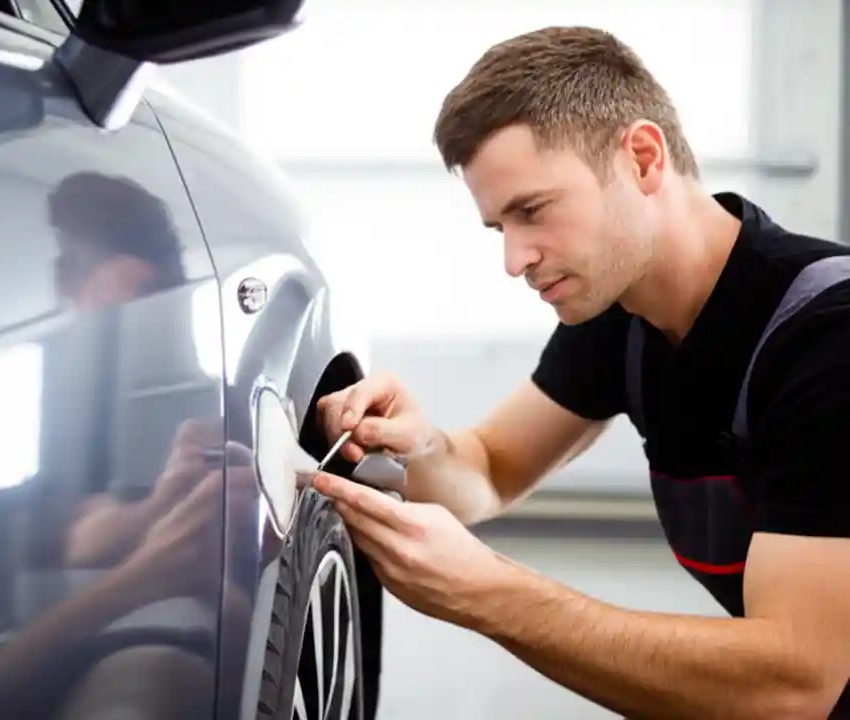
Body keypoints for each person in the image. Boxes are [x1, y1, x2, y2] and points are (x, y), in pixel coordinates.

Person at [313, 25, 850, 719]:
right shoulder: (620, 310)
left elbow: (798, 683)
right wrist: (417, 446)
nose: (515, 259)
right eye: (498, 228)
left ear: (643, 158)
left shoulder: (829, 338)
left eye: (532, 211)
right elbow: (488, 470)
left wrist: (490, 595)